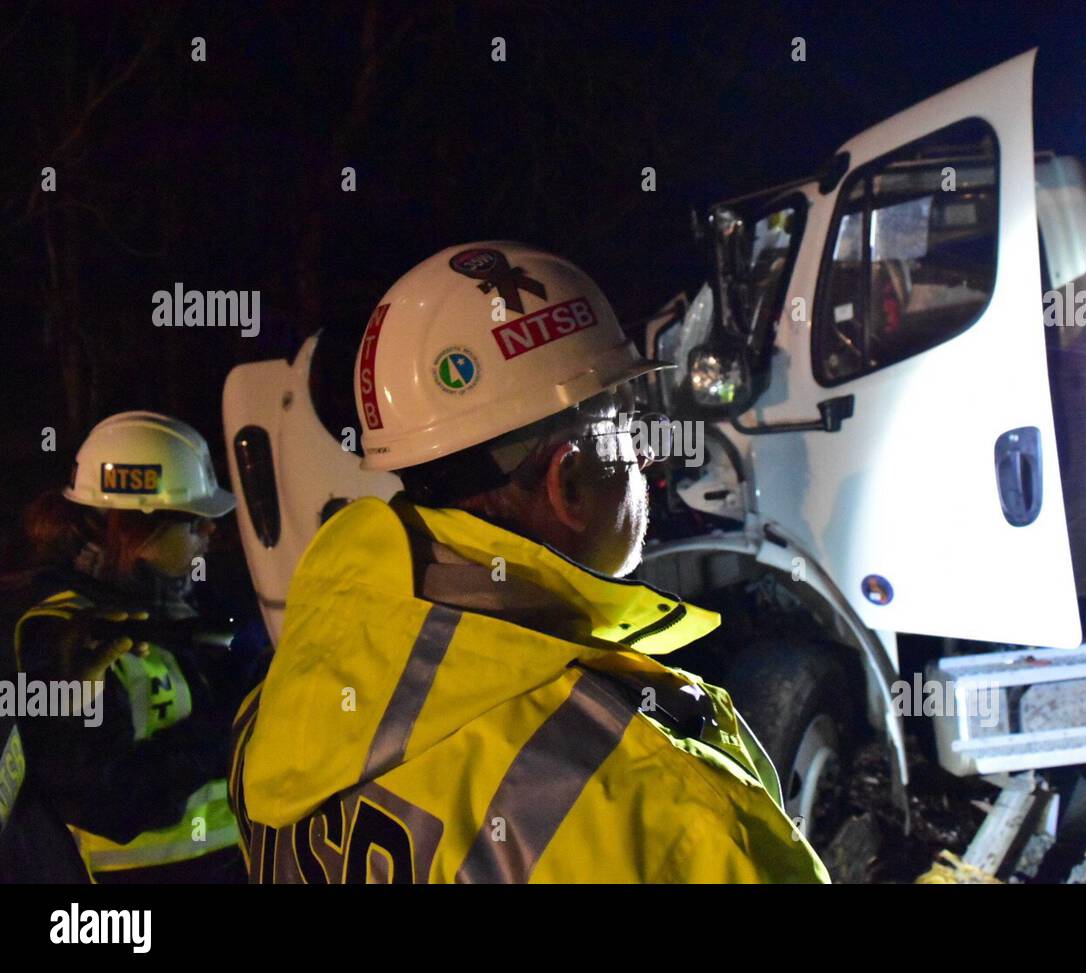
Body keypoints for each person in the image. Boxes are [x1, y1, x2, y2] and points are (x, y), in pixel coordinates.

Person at [230, 242, 830, 883]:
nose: (646, 459)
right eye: (627, 426)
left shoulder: (272, 715)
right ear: (567, 482)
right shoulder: (658, 806)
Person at [4, 412, 249, 882]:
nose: (212, 533)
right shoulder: (65, 638)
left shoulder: (163, 604)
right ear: (136, 529)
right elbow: (108, 800)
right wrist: (228, 732)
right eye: (195, 522)